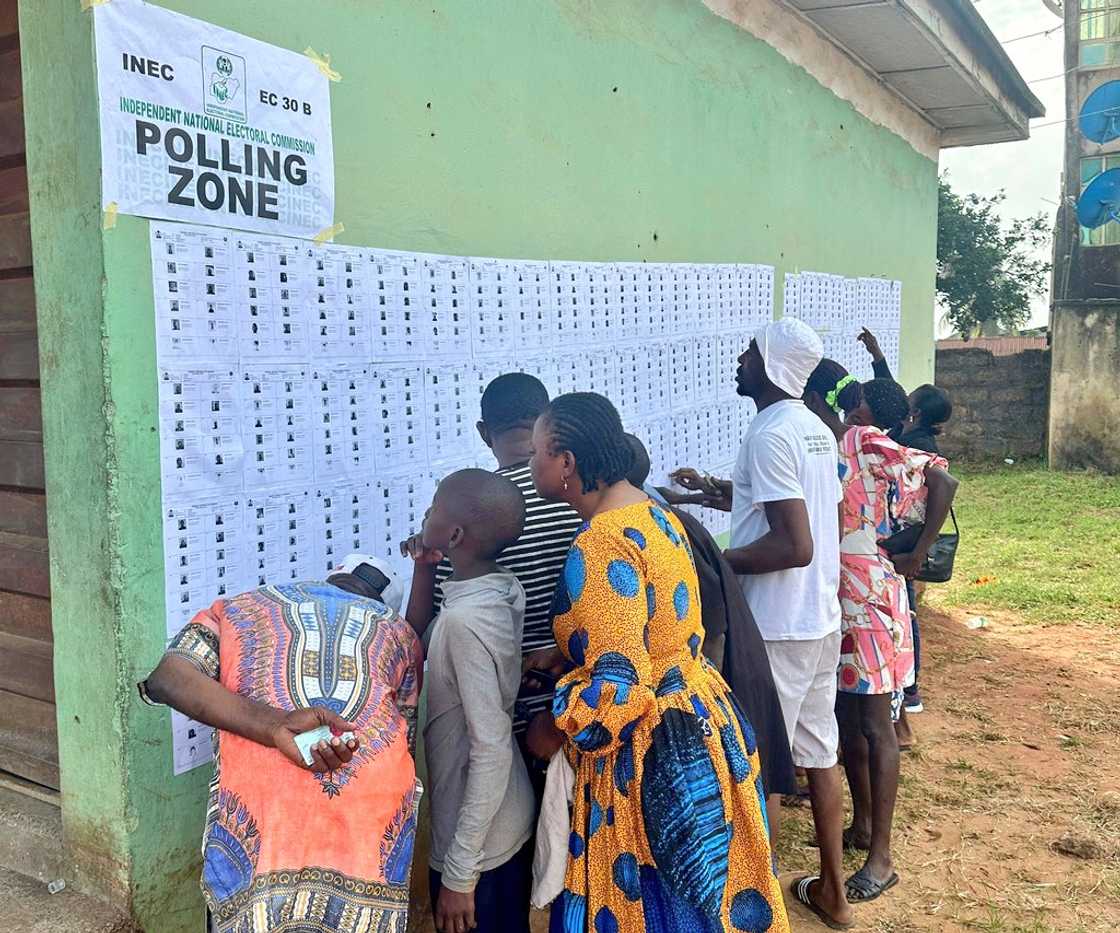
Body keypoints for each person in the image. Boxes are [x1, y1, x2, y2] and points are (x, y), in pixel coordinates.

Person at [524, 393, 789, 933]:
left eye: (536, 454)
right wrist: (575, 647)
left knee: (651, 909)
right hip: (702, 717)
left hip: (651, 756)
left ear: (567, 463)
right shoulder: (654, 514)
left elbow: (616, 698)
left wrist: (553, 723)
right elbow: (648, 625)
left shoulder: (600, 544)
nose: (530, 465)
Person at [139, 555, 422, 933]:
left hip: (264, 832)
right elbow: (407, 738)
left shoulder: (237, 607)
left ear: (333, 575)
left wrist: (273, 726)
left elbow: (166, 679)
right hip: (360, 843)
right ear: (383, 604)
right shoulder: (402, 634)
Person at [677, 320, 852, 929]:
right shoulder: (814, 432)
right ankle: (832, 892)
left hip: (775, 625)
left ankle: (760, 908)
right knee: (818, 754)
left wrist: (712, 560)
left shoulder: (768, 433)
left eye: (750, 351)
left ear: (771, 363)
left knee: (761, 763)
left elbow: (793, 543)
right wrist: (716, 494)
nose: (740, 359)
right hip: (819, 619)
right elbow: (788, 507)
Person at [804, 367, 957, 904]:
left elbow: (943, 479)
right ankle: (864, 826)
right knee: (848, 717)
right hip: (845, 597)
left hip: (869, 597)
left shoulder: (863, 439)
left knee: (874, 723)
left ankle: (882, 857)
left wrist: (917, 553)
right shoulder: (837, 446)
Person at [402, 372, 583, 794]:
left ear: (485, 433)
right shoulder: (577, 494)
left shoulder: (465, 510)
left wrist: (424, 564)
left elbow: (421, 636)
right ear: (544, 422)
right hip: (581, 704)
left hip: (509, 716)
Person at [625, 432, 798, 836]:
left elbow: (712, 622)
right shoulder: (665, 519)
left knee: (746, 786)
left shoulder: (660, 530)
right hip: (731, 666)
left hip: (724, 673)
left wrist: (702, 696)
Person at [418, 469, 536, 933]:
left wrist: (460, 872)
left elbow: (490, 747)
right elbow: (418, 642)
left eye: (435, 505)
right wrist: (425, 565)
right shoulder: (499, 587)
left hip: (478, 841)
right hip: (506, 811)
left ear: (455, 535)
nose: (426, 511)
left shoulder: (463, 622)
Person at [857, 328, 954, 716]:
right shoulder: (907, 432)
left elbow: (942, 487)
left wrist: (918, 552)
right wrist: (877, 356)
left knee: (906, 612)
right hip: (897, 542)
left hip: (905, 545)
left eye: (908, 405)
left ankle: (910, 688)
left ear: (914, 414)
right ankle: (906, 686)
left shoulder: (918, 447)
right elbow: (889, 397)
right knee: (902, 608)